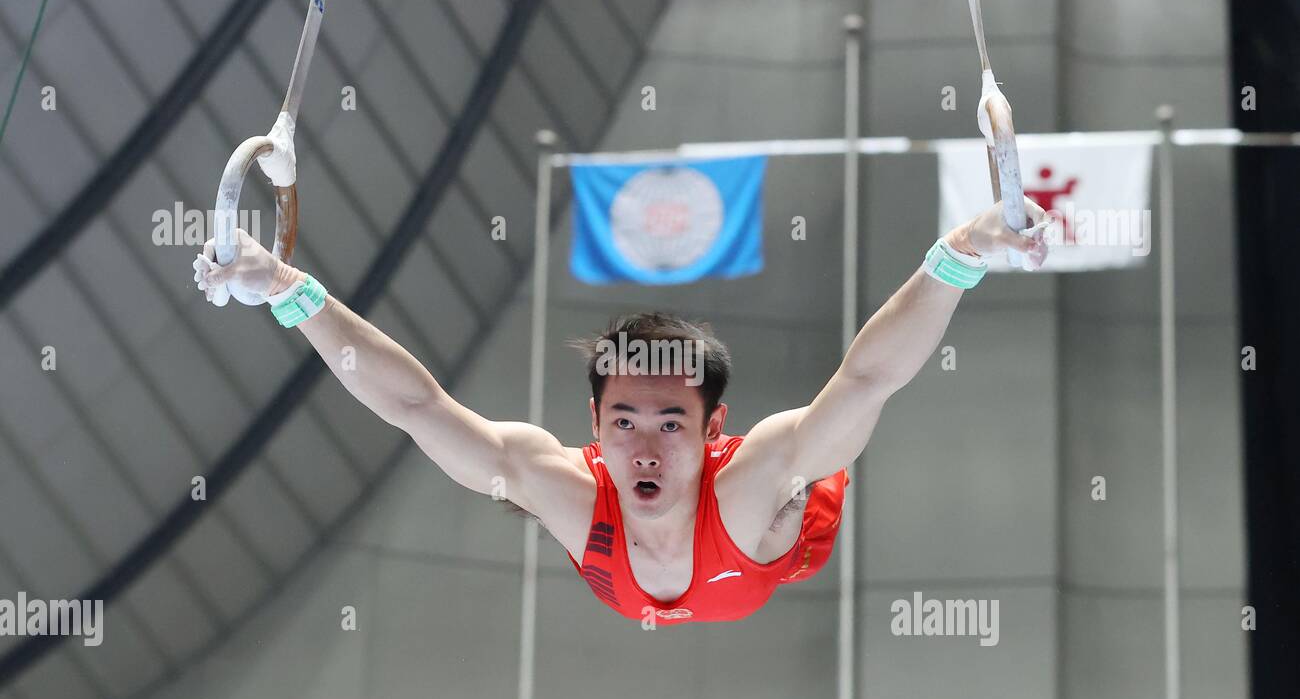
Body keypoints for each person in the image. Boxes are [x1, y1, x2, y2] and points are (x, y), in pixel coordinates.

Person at [192, 198, 1048, 625]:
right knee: (490, 460)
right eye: (624, 421)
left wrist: (960, 254)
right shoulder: (566, 483)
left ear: (715, 433)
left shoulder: (749, 481)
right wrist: (288, 291)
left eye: (672, 423)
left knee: (816, 450)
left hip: (766, 546)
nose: (644, 447)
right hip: (669, 571)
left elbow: (866, 381)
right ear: (592, 426)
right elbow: (418, 405)